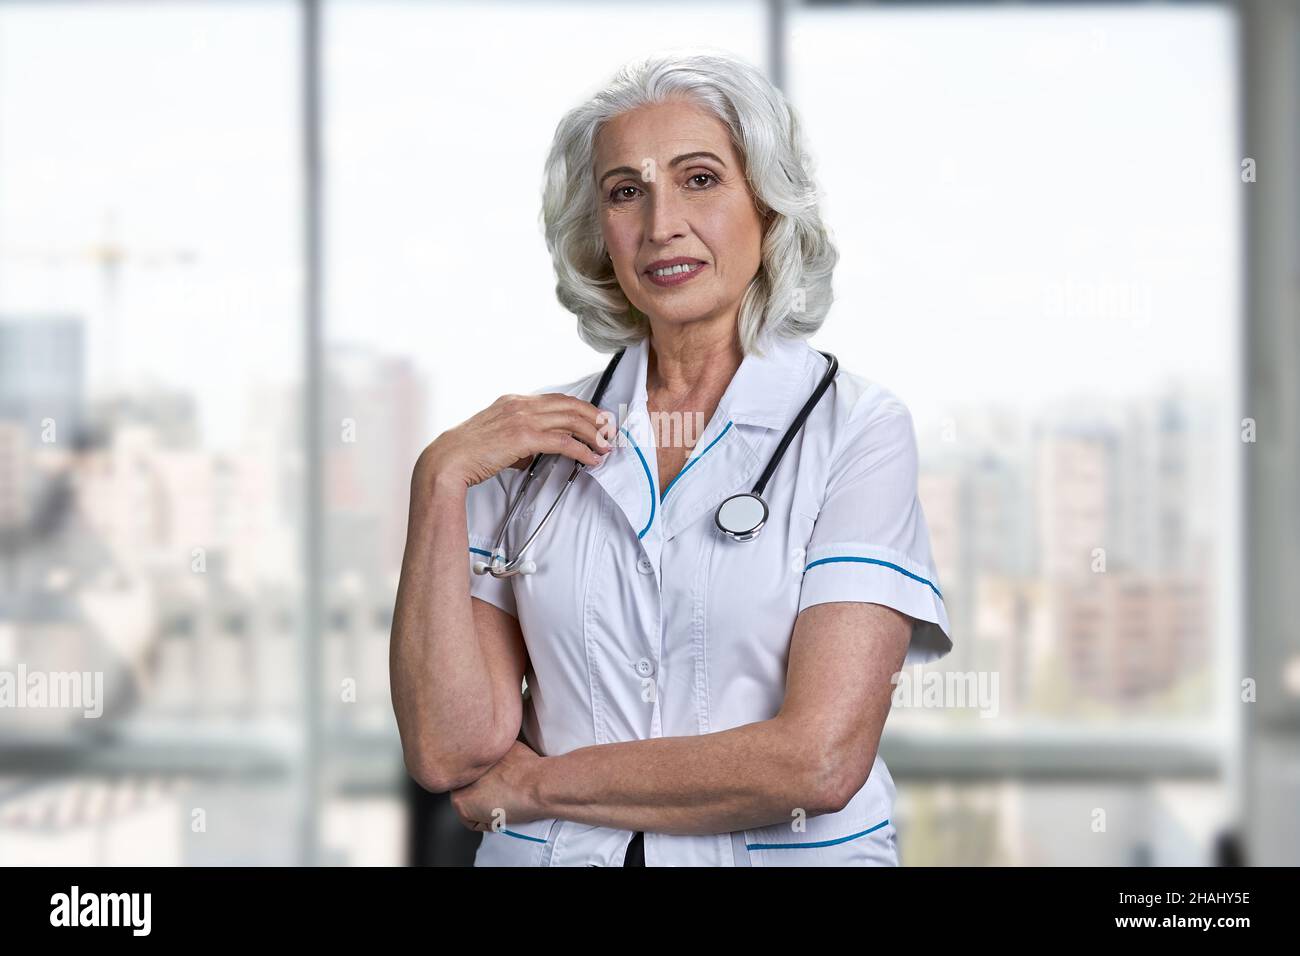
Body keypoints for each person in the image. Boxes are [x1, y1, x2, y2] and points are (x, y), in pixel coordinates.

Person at [390, 49, 952, 866]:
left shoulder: (856, 430)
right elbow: (453, 750)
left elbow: (819, 760)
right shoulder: (521, 447)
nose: (661, 226)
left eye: (699, 179)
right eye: (626, 192)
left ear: (767, 203)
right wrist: (436, 482)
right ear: (599, 232)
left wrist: (539, 787)